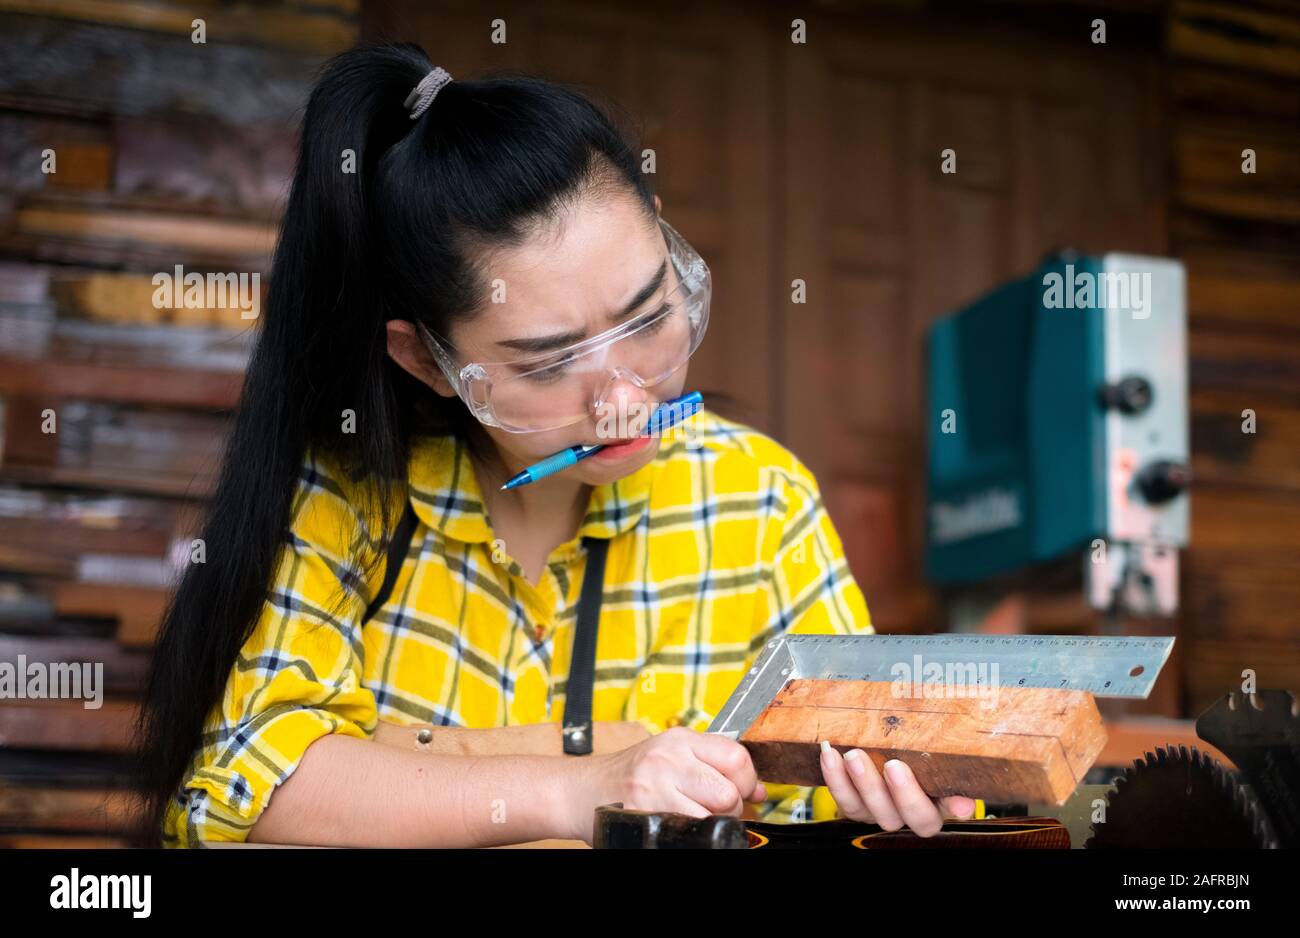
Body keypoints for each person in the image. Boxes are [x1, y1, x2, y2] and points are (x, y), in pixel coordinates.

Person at [134, 42, 976, 848]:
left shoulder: (761, 502)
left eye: (648, 318)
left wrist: (894, 803)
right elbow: (235, 781)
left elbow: (851, 773)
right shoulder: (354, 496)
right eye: (547, 362)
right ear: (430, 360)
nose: (621, 405)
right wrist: (576, 788)